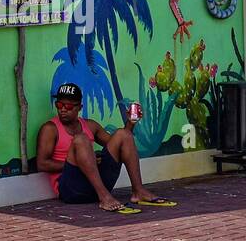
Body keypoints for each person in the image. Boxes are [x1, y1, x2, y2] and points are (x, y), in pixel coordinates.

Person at [36, 84, 175, 213]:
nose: (63, 109)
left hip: (95, 185)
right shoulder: (50, 129)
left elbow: (119, 147)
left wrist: (131, 123)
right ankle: (104, 197)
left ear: (80, 107)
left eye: (68, 106)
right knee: (81, 139)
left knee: (123, 134)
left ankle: (138, 191)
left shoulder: (90, 125)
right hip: (72, 190)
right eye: (59, 105)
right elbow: (42, 164)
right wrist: (81, 163)